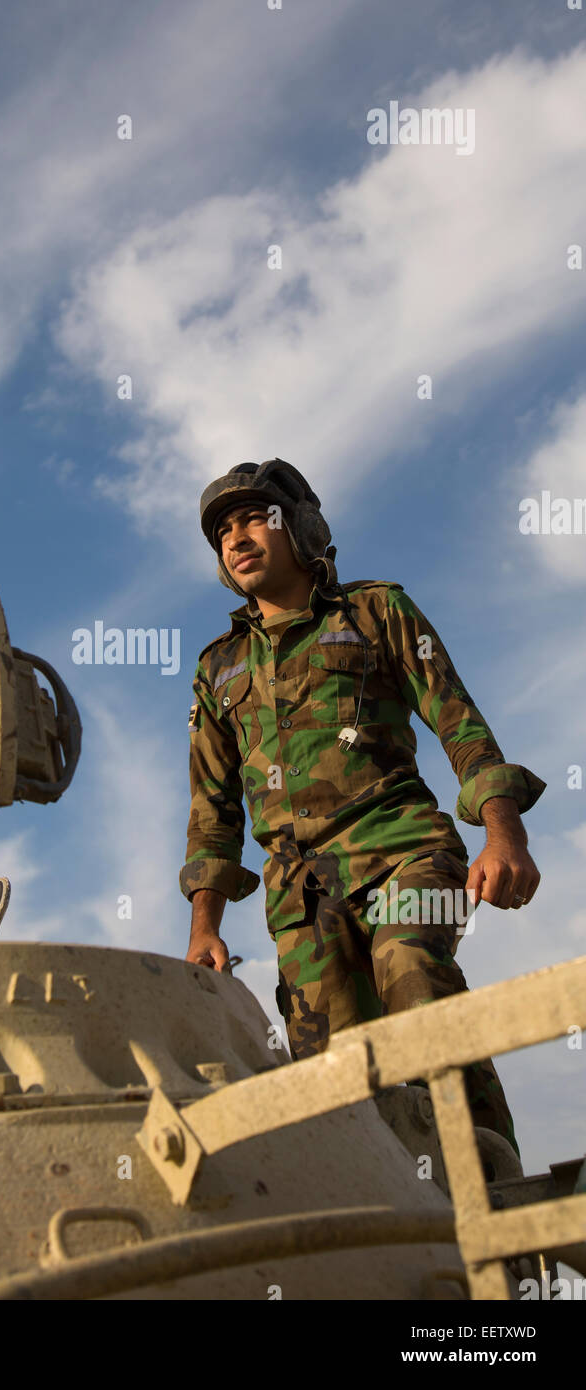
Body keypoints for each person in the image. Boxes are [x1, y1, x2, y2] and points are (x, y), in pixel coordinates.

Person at [182, 458, 545, 1156]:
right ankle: (399, 1239)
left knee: (412, 977)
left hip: (404, 848)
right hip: (300, 895)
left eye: (256, 517)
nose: (236, 537)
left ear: (303, 527)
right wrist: (204, 926)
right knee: (335, 1086)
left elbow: (458, 725)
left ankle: (492, 1184)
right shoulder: (216, 667)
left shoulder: (377, 611)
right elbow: (211, 807)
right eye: (222, 531)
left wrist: (504, 835)